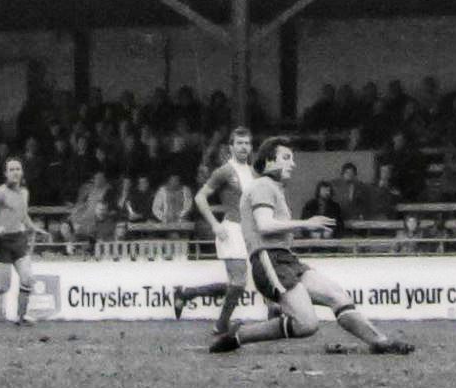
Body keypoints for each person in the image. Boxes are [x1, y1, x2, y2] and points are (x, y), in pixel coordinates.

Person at [208, 137, 413, 356]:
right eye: (286, 157)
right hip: (269, 260)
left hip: (284, 259)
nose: (293, 163)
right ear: (269, 161)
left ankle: (379, 341)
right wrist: (306, 223)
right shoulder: (262, 186)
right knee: (306, 324)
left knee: (337, 296)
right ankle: (239, 335)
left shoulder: (271, 188)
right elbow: (265, 225)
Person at [174, 129, 259, 338]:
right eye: (239, 143)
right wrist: (214, 224)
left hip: (250, 232)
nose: (244, 147)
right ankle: (221, 325)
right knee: (238, 283)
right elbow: (200, 197)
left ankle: (186, 294)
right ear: (231, 146)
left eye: (247, 143)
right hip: (231, 231)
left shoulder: (253, 172)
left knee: (241, 283)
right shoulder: (225, 171)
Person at [0, 158, 43, 325]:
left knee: (27, 278)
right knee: (3, 286)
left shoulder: (24, 193)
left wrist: (33, 227)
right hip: (3, 242)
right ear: (6, 173)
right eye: (11, 169)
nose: (15, 172)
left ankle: (21, 317)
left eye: (18, 169)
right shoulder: (1, 193)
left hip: (19, 239)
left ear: (22, 172)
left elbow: (23, 215)